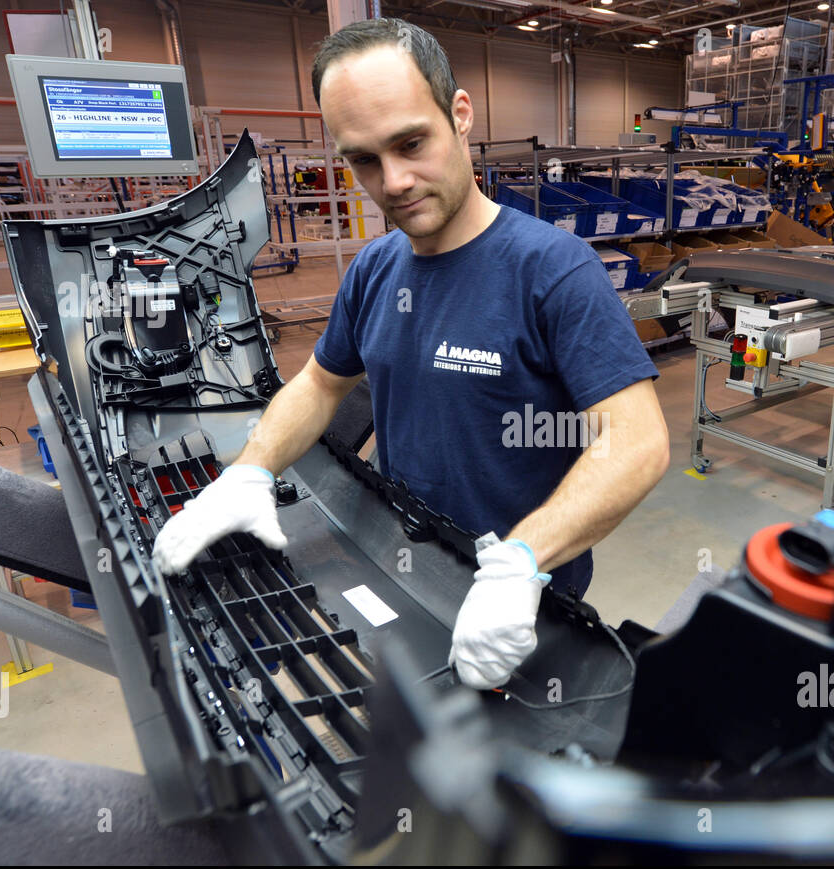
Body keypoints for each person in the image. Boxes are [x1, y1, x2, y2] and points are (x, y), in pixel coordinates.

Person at [151, 18, 670, 691]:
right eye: (364, 159)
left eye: (410, 143)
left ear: (459, 115)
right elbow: (319, 384)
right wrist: (246, 476)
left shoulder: (553, 270)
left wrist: (522, 562)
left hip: (523, 608)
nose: (392, 181)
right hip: (400, 568)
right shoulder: (374, 268)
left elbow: (638, 442)